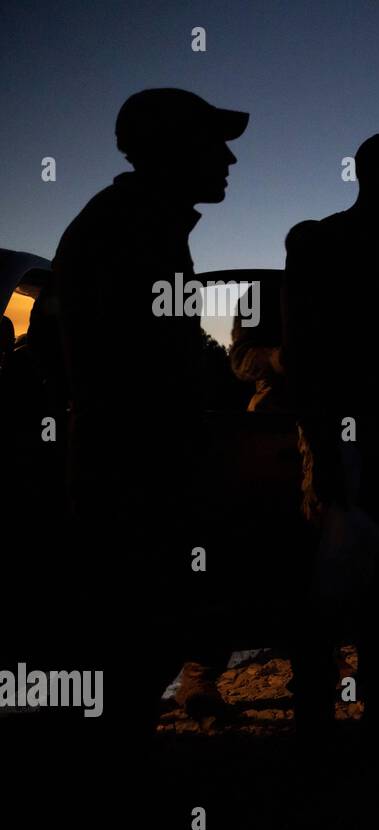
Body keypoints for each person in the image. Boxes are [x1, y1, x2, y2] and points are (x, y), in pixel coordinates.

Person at [47, 88, 248, 738]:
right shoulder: (128, 230)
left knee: (133, 654)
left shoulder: (145, 225)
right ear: (172, 147)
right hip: (133, 480)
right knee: (124, 657)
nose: (229, 159)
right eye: (215, 143)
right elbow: (131, 377)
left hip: (137, 474)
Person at [282, 132, 379, 731]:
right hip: (338, 436)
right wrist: (321, 448)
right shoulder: (319, 242)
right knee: (329, 572)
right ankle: (313, 713)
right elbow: (303, 355)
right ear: (376, 177)